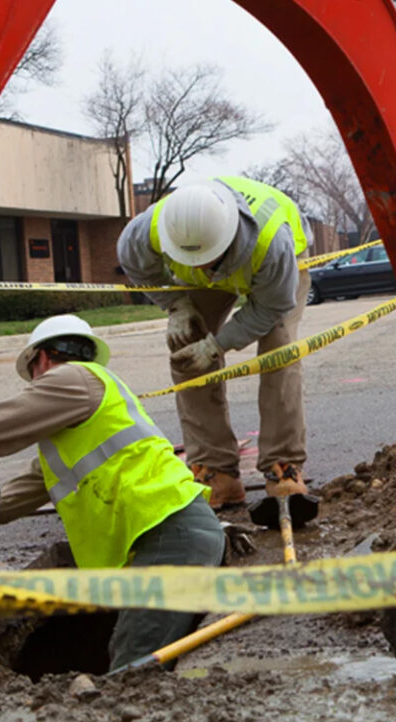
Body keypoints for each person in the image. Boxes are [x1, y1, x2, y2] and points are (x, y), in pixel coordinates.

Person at [0, 314, 225, 669]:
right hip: (176, 537)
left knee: (132, 665)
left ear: (40, 360)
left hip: (171, 534)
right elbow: (2, 506)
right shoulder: (72, 438)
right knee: (137, 658)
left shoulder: (74, 378)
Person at [118, 176, 314, 520]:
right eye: (188, 259)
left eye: (206, 260)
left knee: (279, 353)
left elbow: (270, 309)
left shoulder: (273, 243)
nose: (199, 269)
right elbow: (138, 269)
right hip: (222, 264)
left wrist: (219, 344)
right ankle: (216, 470)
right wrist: (176, 306)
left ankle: (283, 466)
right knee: (186, 350)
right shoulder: (146, 232)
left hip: (275, 274)